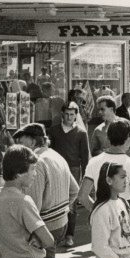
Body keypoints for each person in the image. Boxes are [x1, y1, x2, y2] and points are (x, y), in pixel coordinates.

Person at [14, 123, 80, 258]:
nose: (18, 145)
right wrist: (63, 209)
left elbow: (32, 204)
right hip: (58, 222)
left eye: (21, 140)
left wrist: (32, 232)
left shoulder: (37, 162)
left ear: (32, 141)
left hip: (45, 225)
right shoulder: (56, 156)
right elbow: (75, 190)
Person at [48, 102, 90, 247]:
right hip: (56, 168)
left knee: (71, 203)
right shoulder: (53, 131)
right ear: (62, 114)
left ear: (76, 116)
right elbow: (49, 152)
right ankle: (56, 234)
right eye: (66, 114)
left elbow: (85, 157)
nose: (69, 117)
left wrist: (86, 177)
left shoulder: (81, 133)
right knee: (54, 200)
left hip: (73, 169)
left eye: (72, 114)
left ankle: (69, 235)